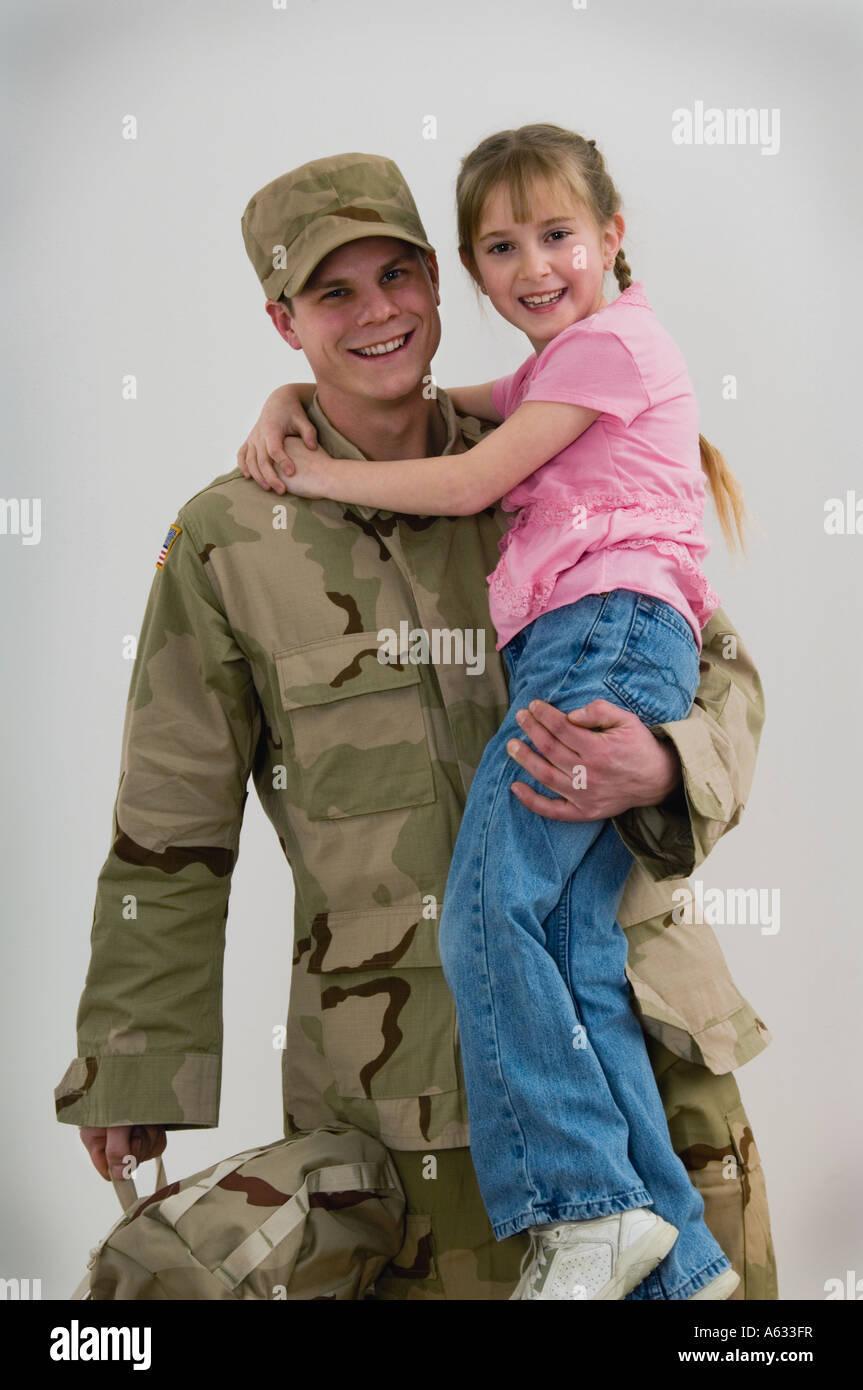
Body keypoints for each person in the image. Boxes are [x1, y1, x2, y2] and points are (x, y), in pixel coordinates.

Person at [55, 150, 777, 1301]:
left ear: (440, 285)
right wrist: (135, 1066)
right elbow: (169, 825)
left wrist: (662, 761)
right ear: (281, 320)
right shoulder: (227, 539)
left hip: (643, 1060)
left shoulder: (553, 450)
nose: (379, 311)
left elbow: (717, 672)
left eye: (398, 274)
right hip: (400, 1113)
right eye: (333, 292)